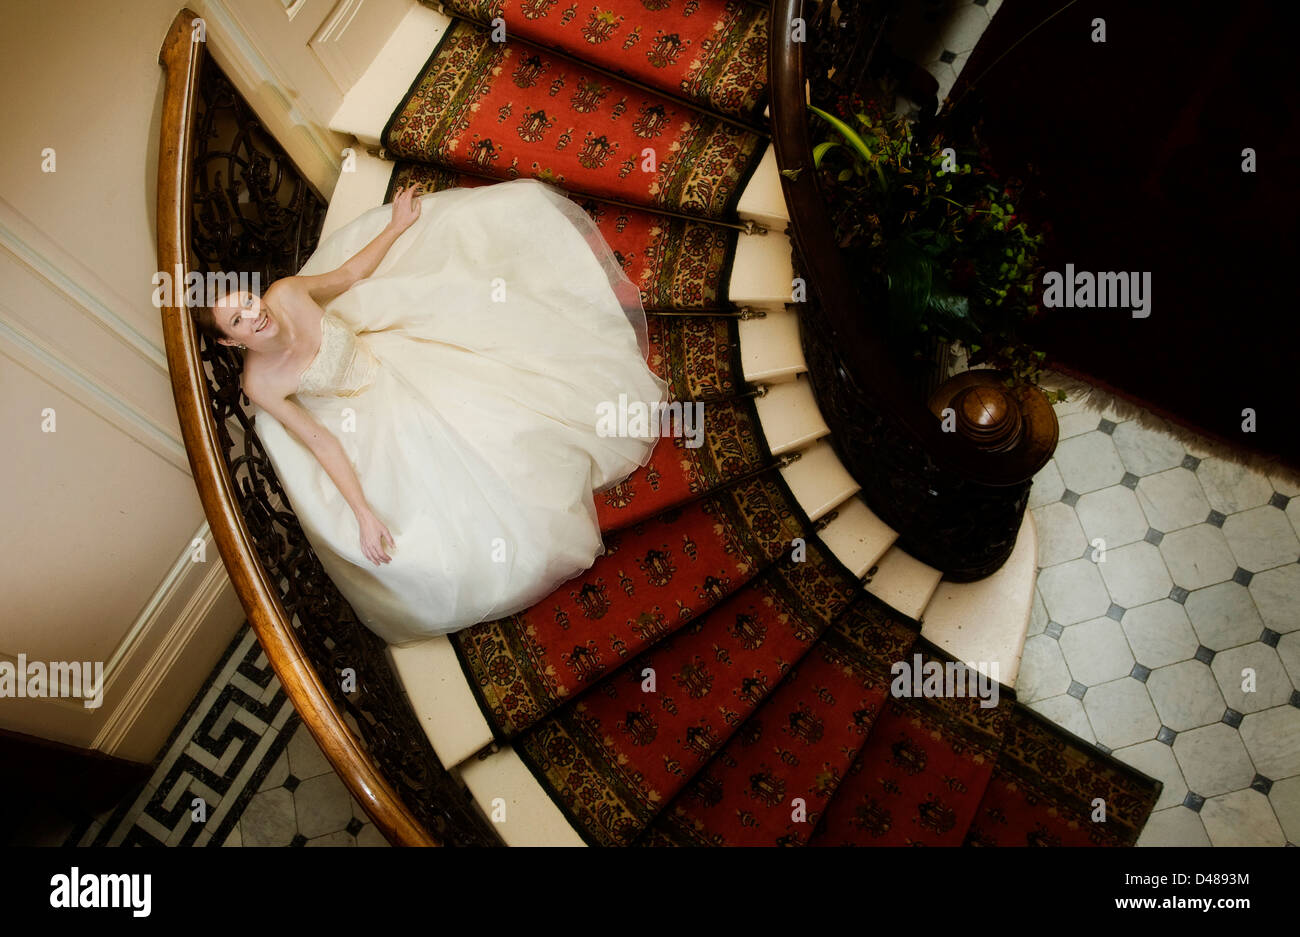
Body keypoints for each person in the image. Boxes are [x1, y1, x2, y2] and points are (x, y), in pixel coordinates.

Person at [194, 177, 667, 646]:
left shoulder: (287, 295)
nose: (255, 315)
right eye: (239, 320)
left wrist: (396, 226)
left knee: (504, 394)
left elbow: (348, 277)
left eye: (248, 302)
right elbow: (319, 440)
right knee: (451, 494)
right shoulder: (262, 384)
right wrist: (362, 511)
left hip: (390, 356)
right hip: (363, 413)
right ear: (230, 341)